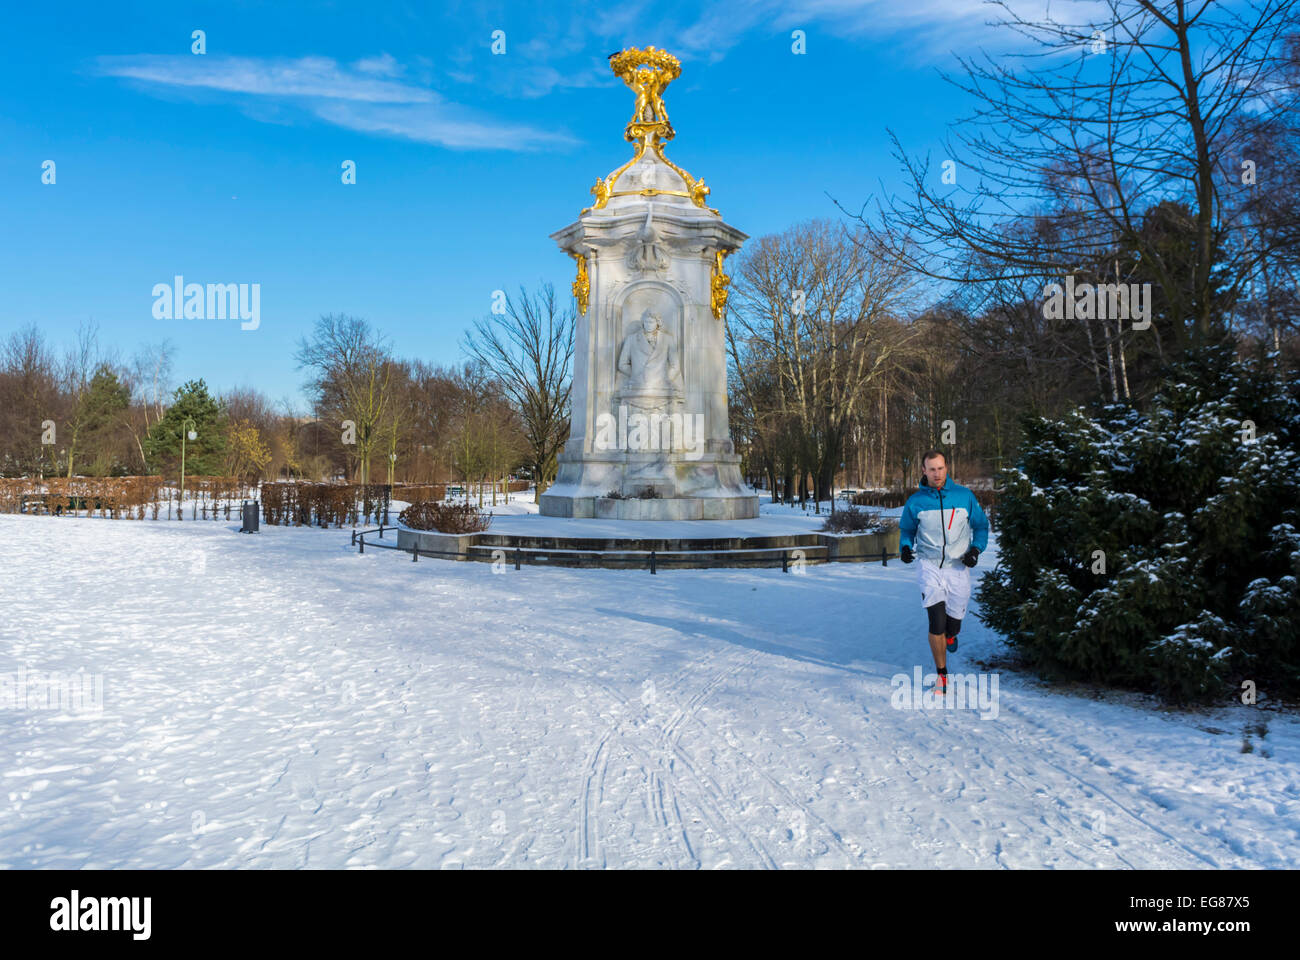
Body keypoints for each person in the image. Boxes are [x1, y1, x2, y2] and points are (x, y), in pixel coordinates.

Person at [898, 450, 990, 694]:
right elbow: (906, 531)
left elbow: (981, 526)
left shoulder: (964, 496)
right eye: (931, 469)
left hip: (958, 568)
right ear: (924, 471)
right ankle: (942, 676)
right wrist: (906, 547)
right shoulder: (915, 502)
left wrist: (975, 550)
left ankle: (952, 636)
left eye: (940, 468)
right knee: (936, 622)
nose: (936, 474)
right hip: (929, 567)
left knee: (953, 625)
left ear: (946, 468)